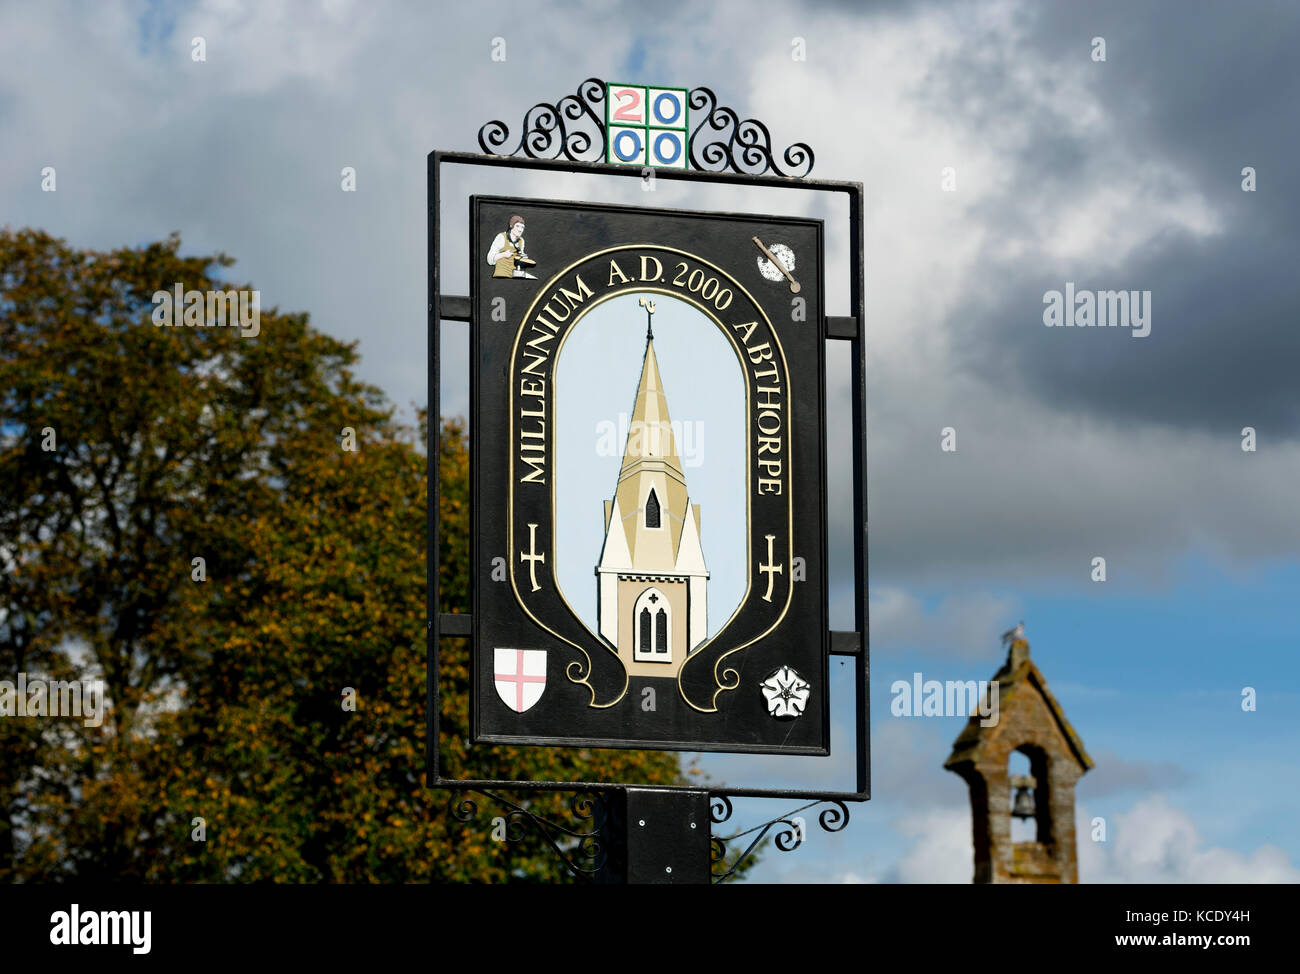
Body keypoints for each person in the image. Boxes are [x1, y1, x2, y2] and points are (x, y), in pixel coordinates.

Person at [486, 215, 536, 279]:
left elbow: (519, 258)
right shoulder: (501, 237)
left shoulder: (521, 240)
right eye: (517, 226)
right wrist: (503, 254)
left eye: (522, 227)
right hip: (502, 275)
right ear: (511, 226)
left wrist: (523, 258)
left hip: (515, 275)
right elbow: (489, 260)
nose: (520, 230)